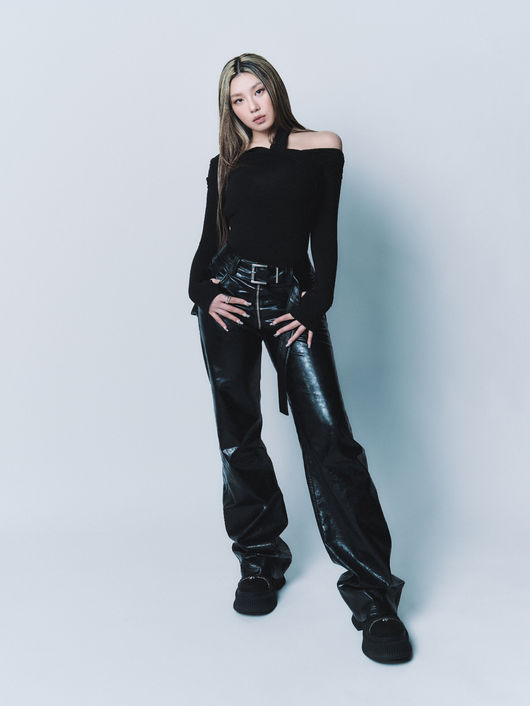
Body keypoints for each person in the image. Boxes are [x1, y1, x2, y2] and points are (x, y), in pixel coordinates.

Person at [188, 53, 413, 664]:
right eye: (238, 100)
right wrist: (204, 293)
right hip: (231, 299)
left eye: (258, 91)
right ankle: (260, 560)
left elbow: (325, 237)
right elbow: (208, 245)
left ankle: (373, 594)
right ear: (229, 109)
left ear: (275, 89)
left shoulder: (321, 146)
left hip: (292, 299)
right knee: (238, 434)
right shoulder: (225, 164)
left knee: (331, 438)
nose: (251, 106)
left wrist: (314, 306)